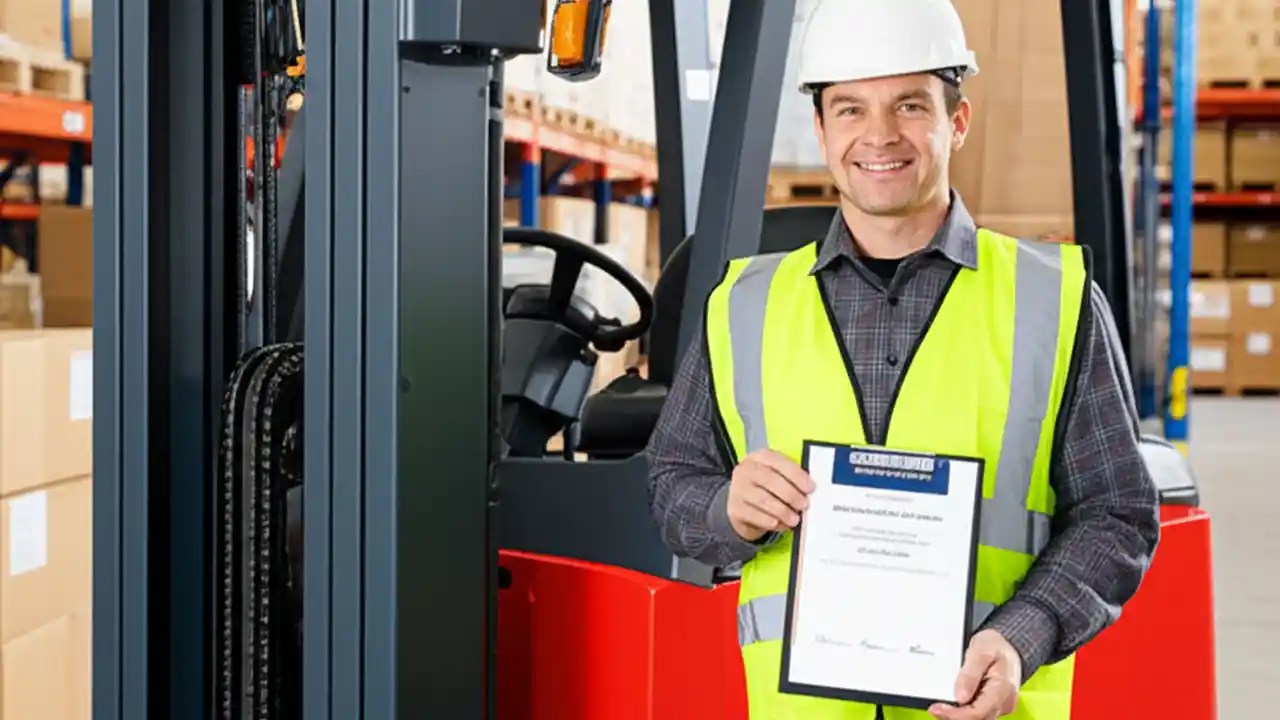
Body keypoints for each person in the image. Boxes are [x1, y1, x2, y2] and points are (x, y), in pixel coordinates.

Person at [643, 0, 1161, 718]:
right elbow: (672, 485)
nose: (879, 136)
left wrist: (1020, 635)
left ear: (958, 120)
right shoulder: (742, 307)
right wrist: (723, 506)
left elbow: (1117, 514)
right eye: (851, 110)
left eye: (909, 104)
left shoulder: (1053, 300)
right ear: (821, 130)